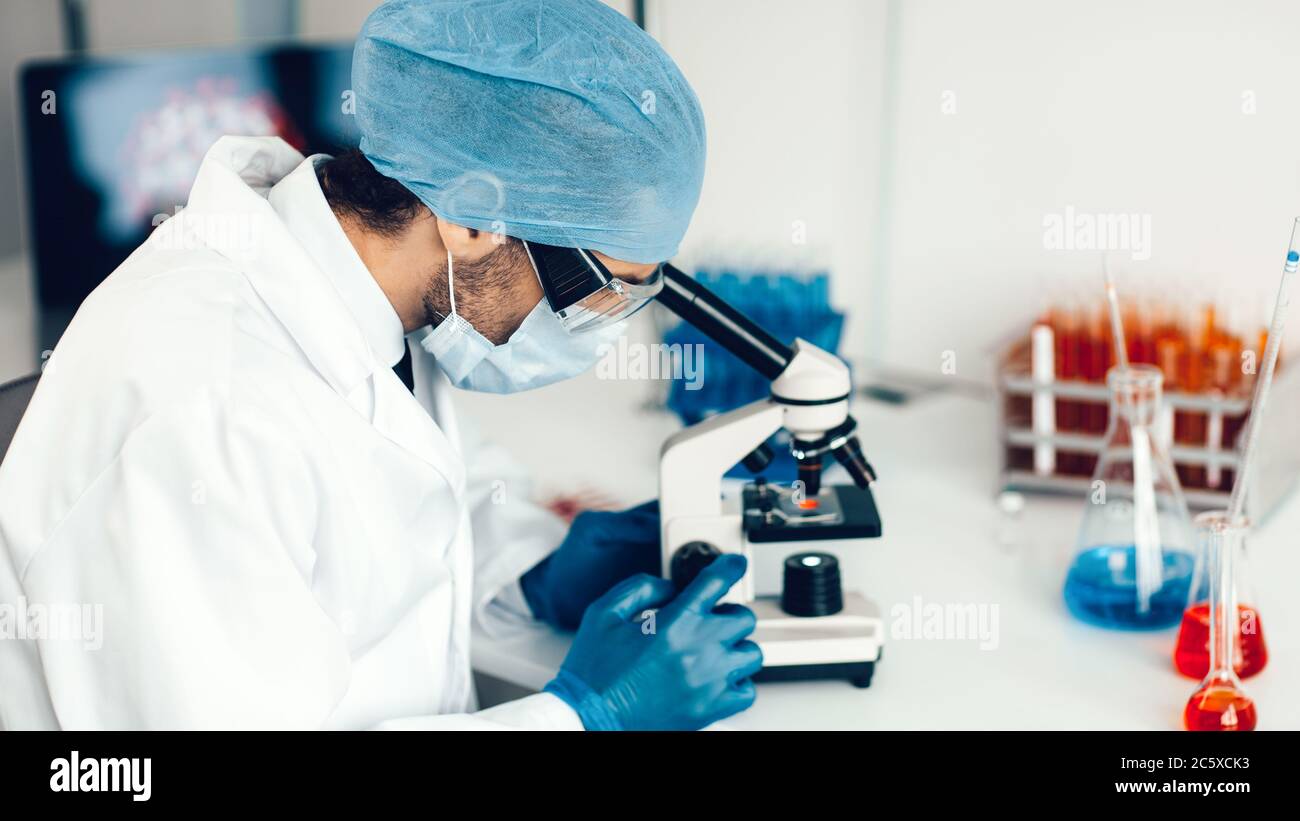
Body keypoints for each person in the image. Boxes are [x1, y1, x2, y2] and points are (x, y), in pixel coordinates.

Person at [0, 0, 760, 730]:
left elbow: (390, 539)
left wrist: (536, 576)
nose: (599, 330)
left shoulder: (371, 288)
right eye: (597, 289)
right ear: (469, 218)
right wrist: (586, 715)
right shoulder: (204, 406)